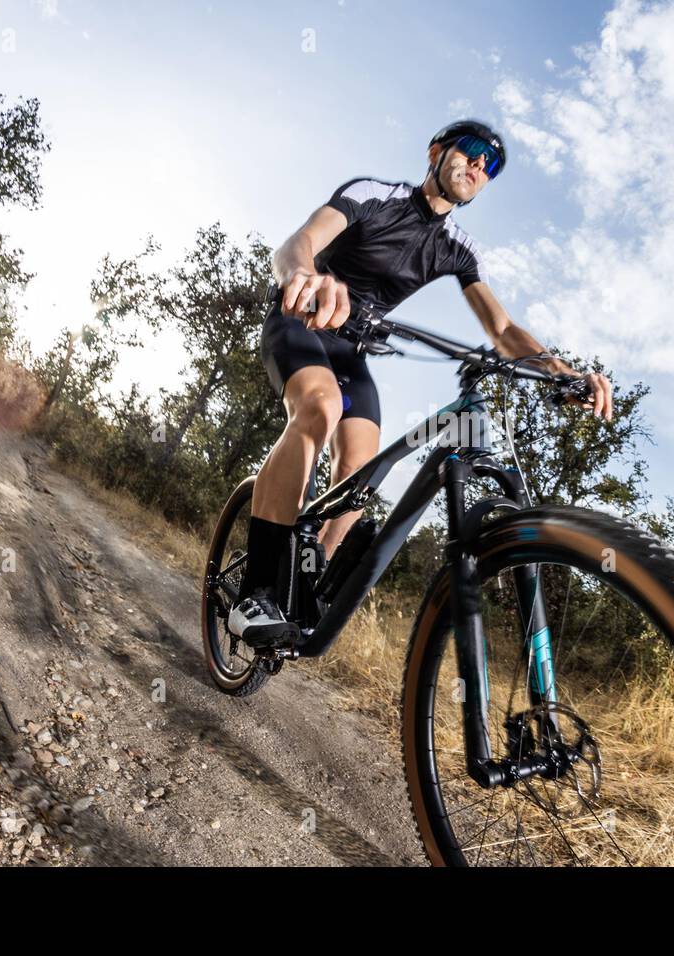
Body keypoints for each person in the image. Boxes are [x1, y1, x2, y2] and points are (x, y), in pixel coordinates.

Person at [228, 119, 614, 643]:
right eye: (473, 151)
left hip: (355, 349)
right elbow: (296, 244)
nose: (480, 166)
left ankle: (307, 583)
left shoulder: (458, 246)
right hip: (305, 320)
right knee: (320, 409)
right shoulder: (373, 194)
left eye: (492, 165)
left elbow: (501, 329)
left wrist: (561, 372)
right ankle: (258, 591)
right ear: (436, 151)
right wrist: (306, 276)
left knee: (361, 477)